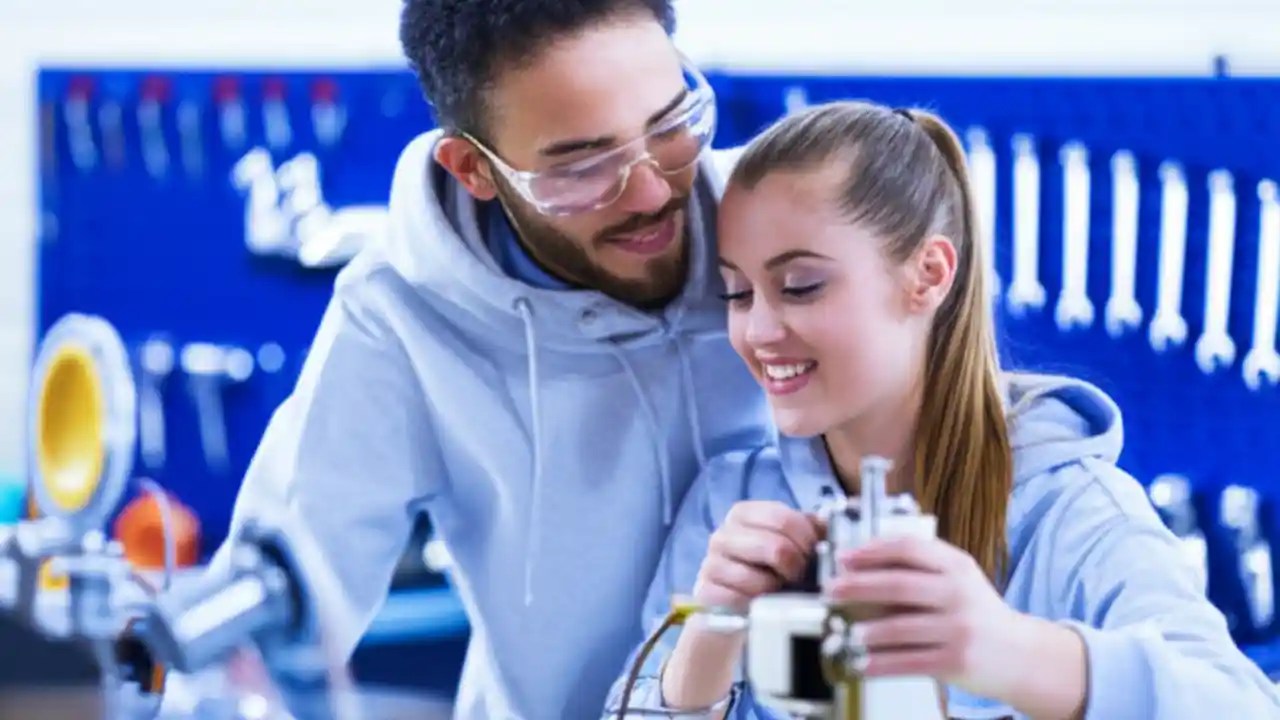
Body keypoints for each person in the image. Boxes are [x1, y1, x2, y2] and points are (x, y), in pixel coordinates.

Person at [605, 100, 1280, 719]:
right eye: (737, 293)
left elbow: (1239, 705)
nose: (757, 332)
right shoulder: (733, 508)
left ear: (928, 274)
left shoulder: (1071, 513)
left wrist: (1012, 654)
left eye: (801, 286)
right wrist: (703, 651)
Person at [215, 1, 769, 718]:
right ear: (475, 168)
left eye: (671, 126)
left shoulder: (784, 238)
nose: (654, 191)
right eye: (586, 167)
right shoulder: (400, 319)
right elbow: (279, 601)